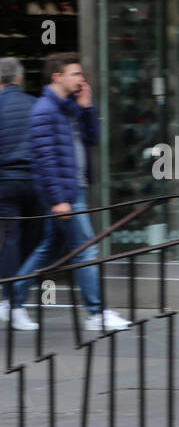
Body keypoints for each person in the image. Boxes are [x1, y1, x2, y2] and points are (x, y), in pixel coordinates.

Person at [10, 52, 130, 333]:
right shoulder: (44, 110)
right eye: (75, 74)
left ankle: (13, 302)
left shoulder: (67, 107)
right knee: (86, 249)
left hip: (73, 188)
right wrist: (58, 200)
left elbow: (92, 139)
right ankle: (96, 312)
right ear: (57, 77)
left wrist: (86, 107)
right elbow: (44, 160)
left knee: (47, 249)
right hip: (65, 193)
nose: (81, 79)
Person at [0, 58, 41, 331]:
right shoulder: (34, 104)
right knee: (32, 240)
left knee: (10, 240)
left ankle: (7, 303)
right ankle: (17, 303)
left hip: (5, 182)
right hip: (33, 181)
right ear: (20, 79)